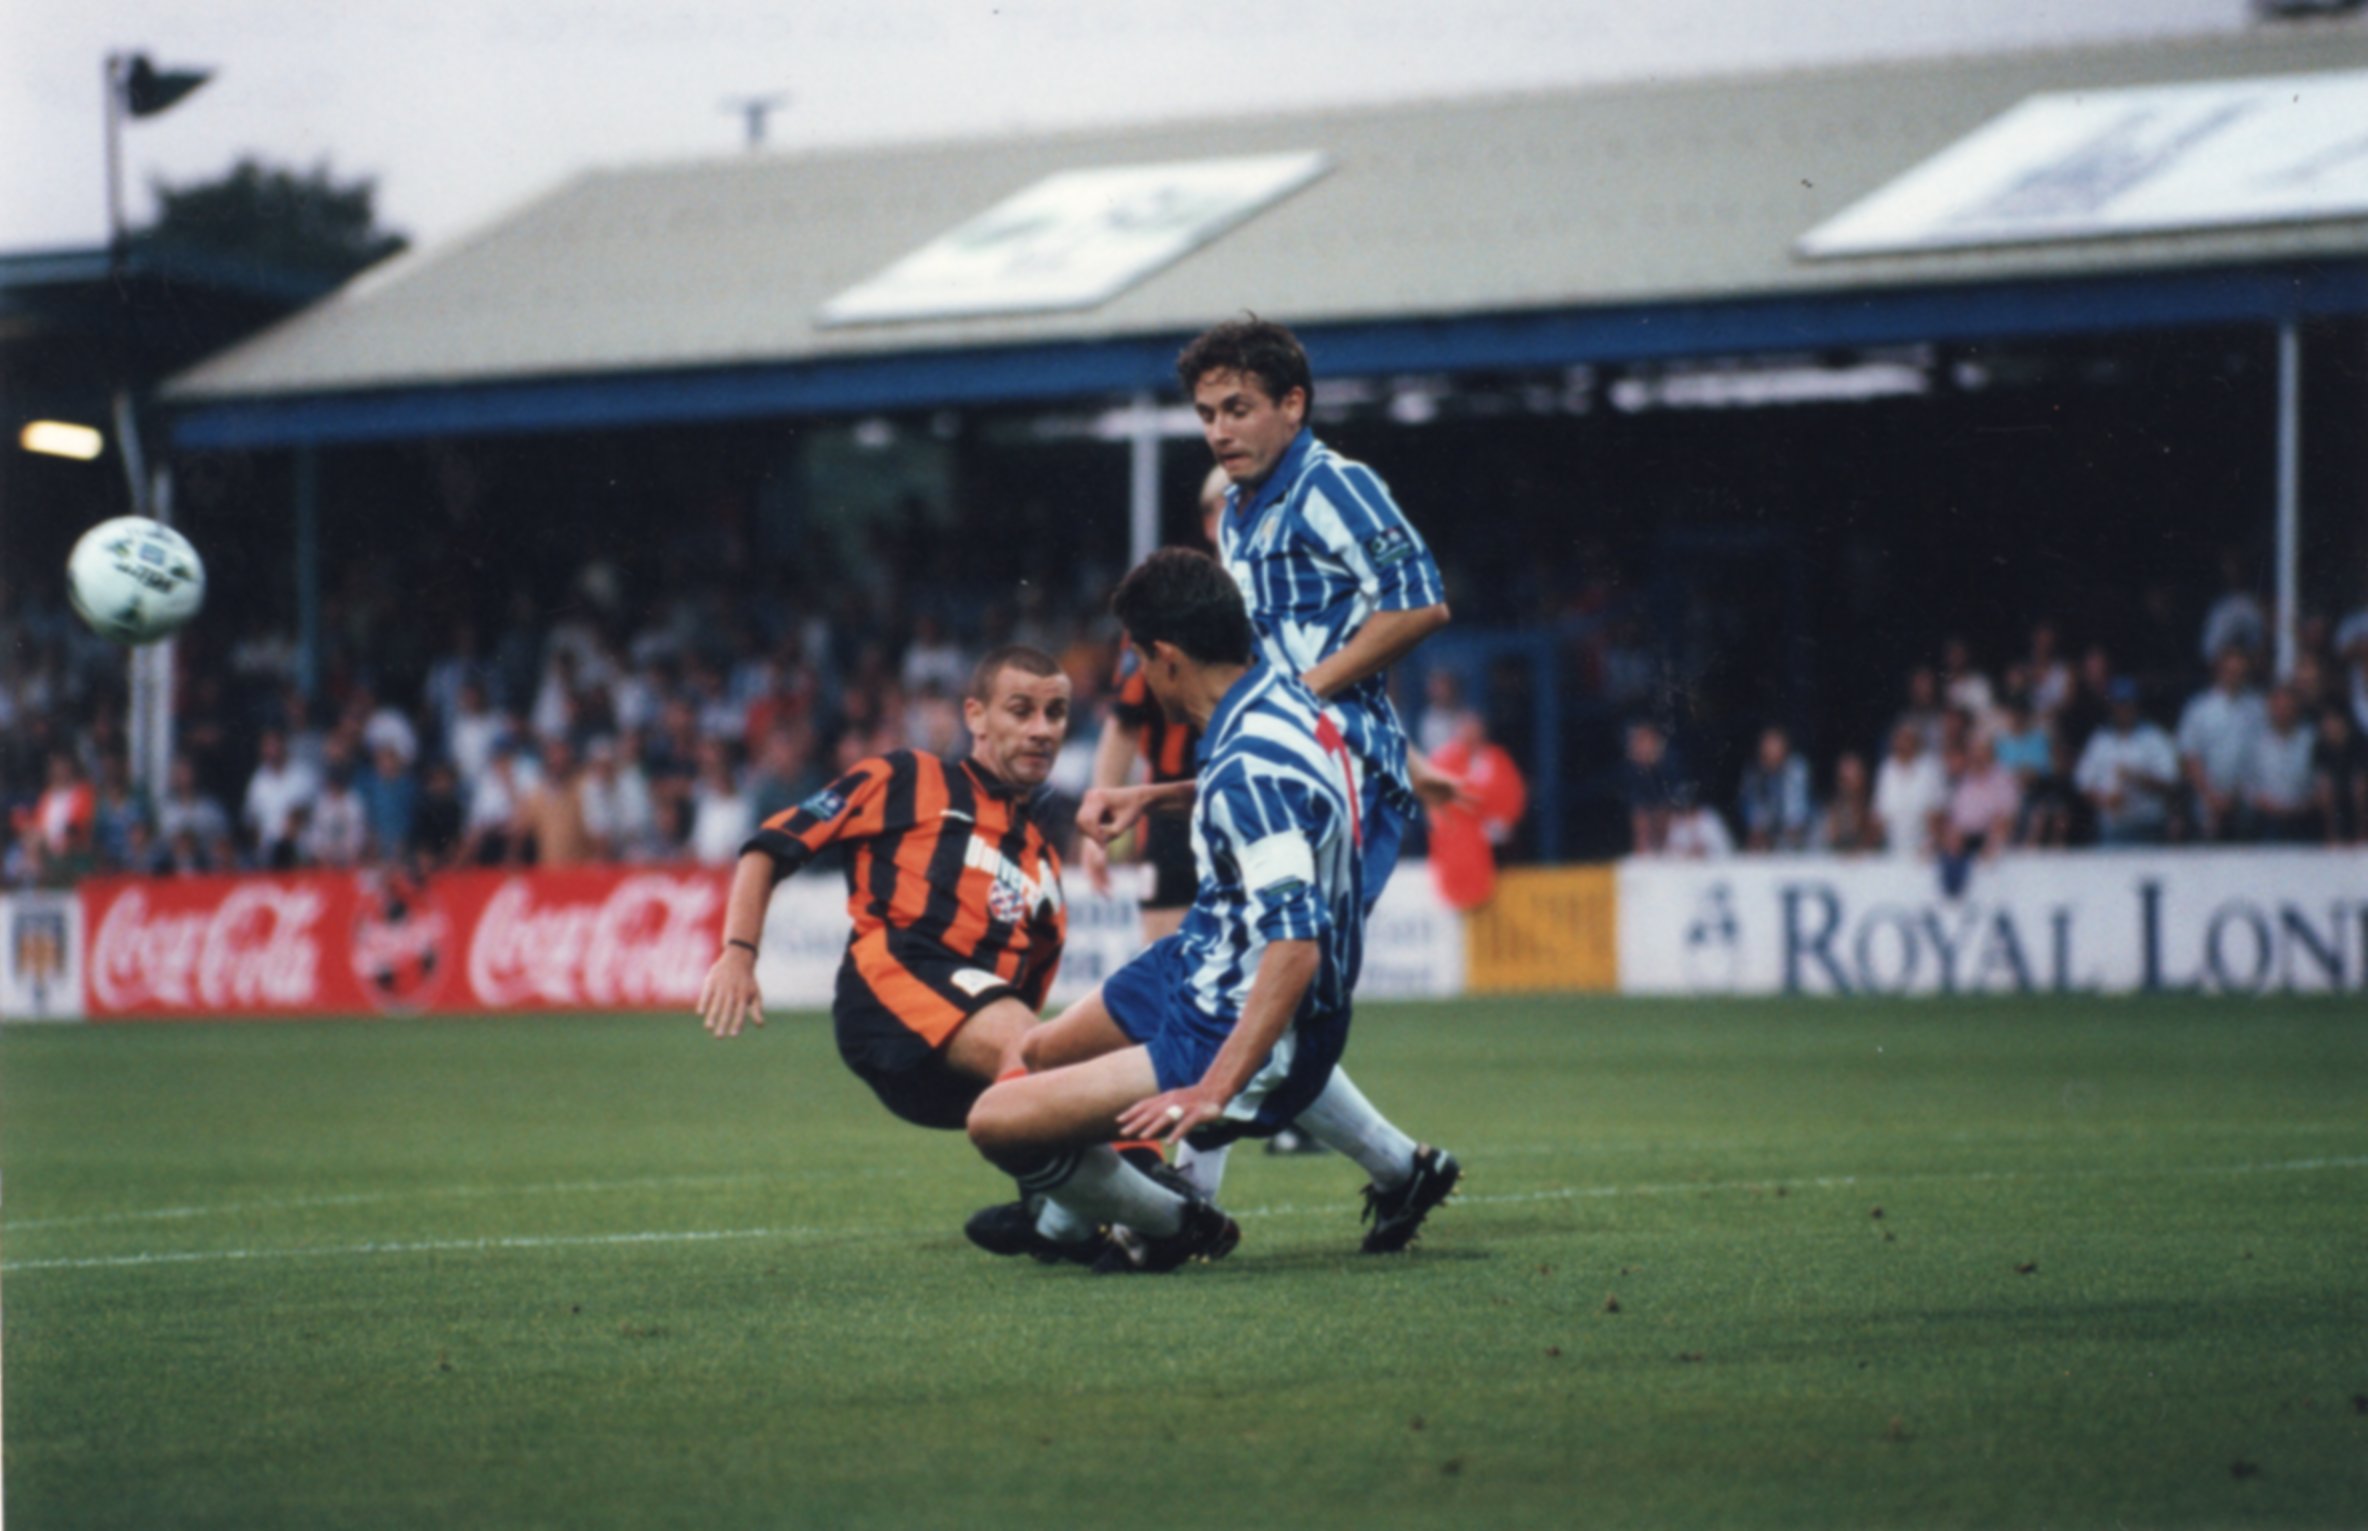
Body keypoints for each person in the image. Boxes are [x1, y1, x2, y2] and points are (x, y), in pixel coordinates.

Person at [969, 549, 1450, 1271]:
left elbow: (1296, 946)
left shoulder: (1247, 766)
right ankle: (1069, 1225)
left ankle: (1175, 1220)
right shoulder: (1282, 701)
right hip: (1202, 956)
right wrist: (1150, 795)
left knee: (996, 1123)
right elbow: (1270, 796)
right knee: (1036, 1051)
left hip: (1225, 1013)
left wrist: (1213, 1086)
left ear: (1166, 659)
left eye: (1136, 657)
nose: (1135, 673)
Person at [1129, 315, 1464, 1213]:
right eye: (1206, 413)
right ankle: (1401, 1170)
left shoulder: (1334, 485)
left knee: (1255, 976)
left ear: (1293, 403)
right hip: (1284, 764)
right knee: (1251, 976)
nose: (1219, 429)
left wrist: (1298, 698)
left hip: (1339, 770)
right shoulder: (1238, 510)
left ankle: (1178, 1200)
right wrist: (1165, 787)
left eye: (1237, 408)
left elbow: (1420, 603)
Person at [696, 646, 1072, 1159]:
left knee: (1084, 1069)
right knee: (1033, 1046)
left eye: (1055, 713)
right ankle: (1062, 1197)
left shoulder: (1045, 863)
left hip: (961, 1057)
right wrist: (739, 952)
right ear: (976, 717)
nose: (1042, 729)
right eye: (1022, 710)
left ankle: (1117, 1209)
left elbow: (1030, 989)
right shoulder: (907, 778)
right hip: (886, 1001)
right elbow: (769, 847)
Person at [1077, 466, 1231, 946]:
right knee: (1171, 976)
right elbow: (1124, 723)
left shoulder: (1284, 602)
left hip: (1251, 804)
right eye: (1234, 503)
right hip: (1173, 820)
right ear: (1210, 521)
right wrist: (1097, 824)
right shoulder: (1166, 605)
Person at [2074, 680, 2179, 845]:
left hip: (2149, 827)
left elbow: (2170, 779)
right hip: (2113, 829)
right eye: (2119, 704)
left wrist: (2137, 778)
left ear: (2136, 705)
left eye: (2128, 704)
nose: (2124, 710)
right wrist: (2104, 800)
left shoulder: (2153, 737)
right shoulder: (2101, 740)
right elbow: (2083, 782)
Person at [2176, 647, 2266, 842]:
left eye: (2240, 672)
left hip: (2247, 804)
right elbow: (2190, 756)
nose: (2235, 676)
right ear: (2219, 671)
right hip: (2207, 808)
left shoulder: (2258, 707)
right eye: (2230, 671)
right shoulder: (2199, 708)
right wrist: (2211, 796)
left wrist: (2237, 795)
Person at [1735, 725, 1813, 852]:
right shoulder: (1754, 774)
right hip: (1767, 837)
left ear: (1785, 747)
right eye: (1766, 746)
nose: (1770, 751)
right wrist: (1759, 831)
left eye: (1774, 745)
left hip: (1798, 835)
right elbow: (1752, 813)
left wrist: (1791, 832)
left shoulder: (1796, 769)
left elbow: (1798, 815)